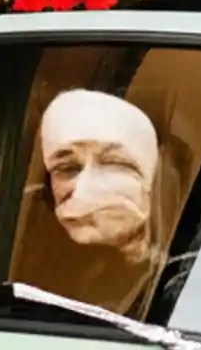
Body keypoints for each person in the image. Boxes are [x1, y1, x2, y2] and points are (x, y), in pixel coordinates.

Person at [10, 89, 166, 318]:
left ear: (150, 183)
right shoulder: (23, 247)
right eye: (66, 168)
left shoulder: (183, 276)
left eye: (114, 163)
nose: (83, 190)